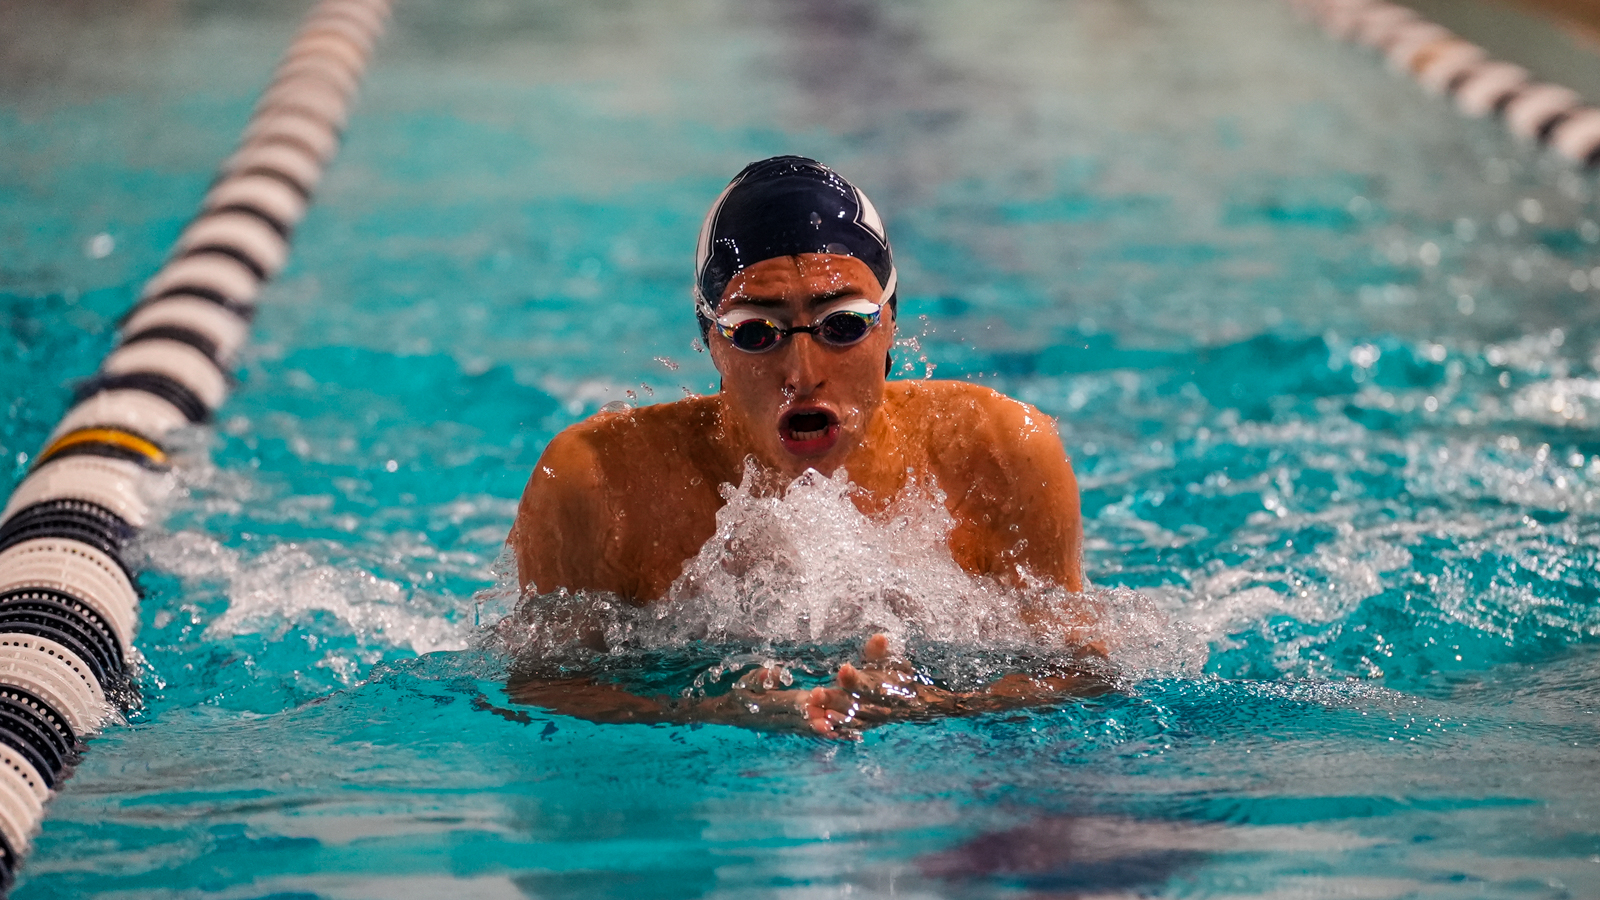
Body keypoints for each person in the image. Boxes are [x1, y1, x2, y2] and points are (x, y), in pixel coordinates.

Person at [505, 156, 1094, 737]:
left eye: (842, 325)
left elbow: (1085, 669)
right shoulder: (598, 482)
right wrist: (708, 714)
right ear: (712, 342)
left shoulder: (1000, 452)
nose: (802, 371)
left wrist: (946, 703)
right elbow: (538, 687)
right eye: (756, 333)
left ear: (890, 322)